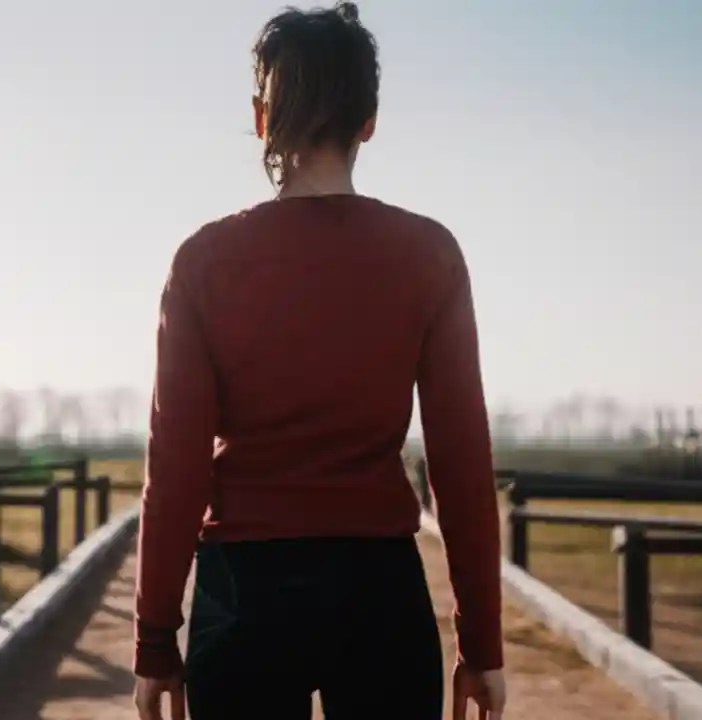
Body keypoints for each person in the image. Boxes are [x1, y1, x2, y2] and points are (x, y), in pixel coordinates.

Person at [132, 3, 506, 718]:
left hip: (244, 595)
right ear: (369, 120)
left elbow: (174, 465)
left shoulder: (204, 262)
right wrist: (480, 645)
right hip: (379, 595)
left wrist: (155, 642)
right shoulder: (429, 255)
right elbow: (462, 462)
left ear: (262, 117)